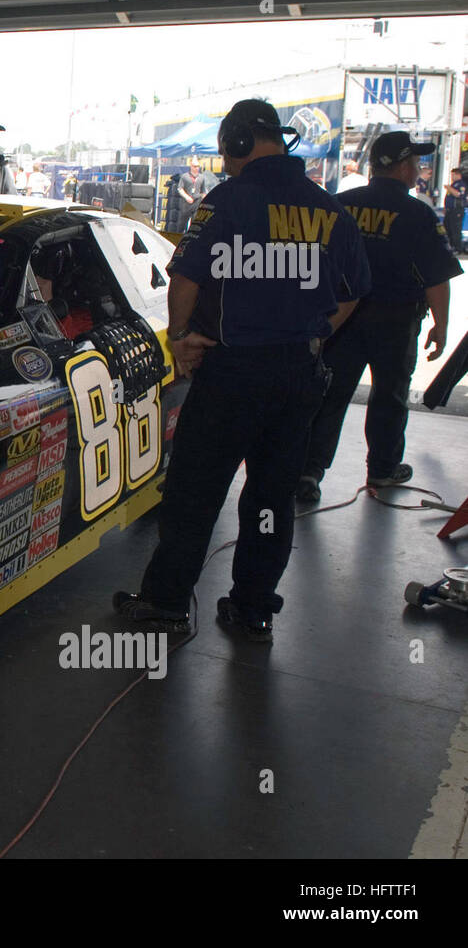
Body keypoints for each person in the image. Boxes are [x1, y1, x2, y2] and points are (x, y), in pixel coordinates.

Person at [114, 99, 370, 642]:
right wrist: (315, 332)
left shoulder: (228, 201)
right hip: (298, 376)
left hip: (233, 374)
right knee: (271, 497)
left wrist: (180, 340)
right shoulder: (330, 210)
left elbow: (184, 277)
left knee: (195, 492)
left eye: (225, 151)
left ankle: (165, 603)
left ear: (235, 142)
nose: (224, 162)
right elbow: (352, 291)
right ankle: (253, 608)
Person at [297, 131, 461, 499]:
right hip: (395, 321)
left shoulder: (337, 205)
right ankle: (383, 469)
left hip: (340, 319)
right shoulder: (417, 213)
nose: (417, 170)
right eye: (415, 164)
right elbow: (436, 276)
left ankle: (308, 472)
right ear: (403, 168)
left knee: (330, 395)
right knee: (389, 396)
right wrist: (441, 325)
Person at [175, 159, 208, 229]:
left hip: (197, 202)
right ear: (191, 166)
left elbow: (203, 191)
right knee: (182, 223)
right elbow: (180, 188)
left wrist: (204, 202)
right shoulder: (185, 176)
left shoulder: (201, 177)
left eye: (198, 166)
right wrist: (186, 197)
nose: (197, 168)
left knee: (194, 224)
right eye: (195, 166)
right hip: (186, 203)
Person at [443, 165, 465, 254]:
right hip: (449, 210)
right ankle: (450, 246)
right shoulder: (453, 184)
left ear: (458, 174)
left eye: (453, 175)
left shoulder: (461, 184)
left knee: (455, 229)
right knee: (447, 229)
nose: (451, 177)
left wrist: (449, 188)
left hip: (457, 210)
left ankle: (457, 248)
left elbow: (458, 195)